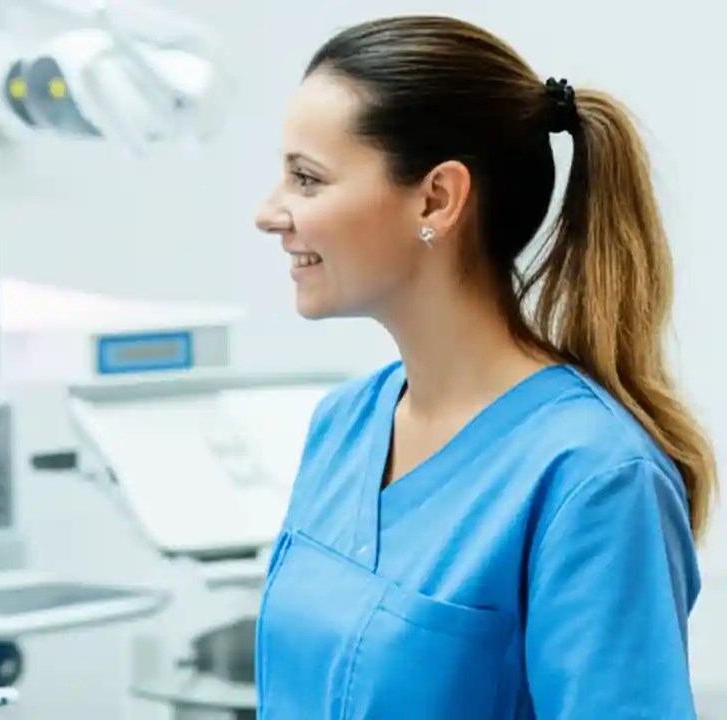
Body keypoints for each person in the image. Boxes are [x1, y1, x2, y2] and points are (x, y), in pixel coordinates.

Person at [252, 14, 715, 719]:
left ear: (437, 198)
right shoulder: (343, 425)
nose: (270, 213)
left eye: (307, 180)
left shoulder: (593, 479)